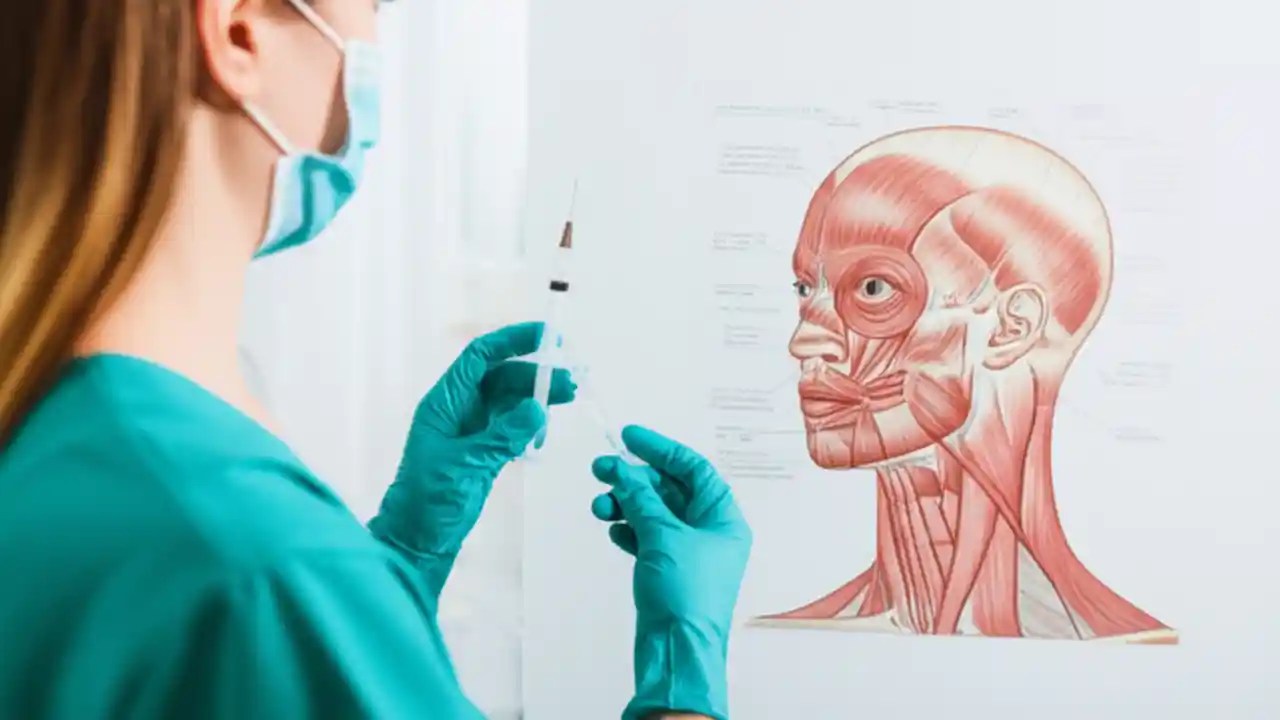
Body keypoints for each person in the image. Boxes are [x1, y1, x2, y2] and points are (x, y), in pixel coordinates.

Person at [0, 2, 752, 719]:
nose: (376, 51)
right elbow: (265, 623)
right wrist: (683, 673)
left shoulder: (54, 432)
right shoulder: (258, 568)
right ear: (238, 32)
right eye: (376, 6)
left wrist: (404, 550)